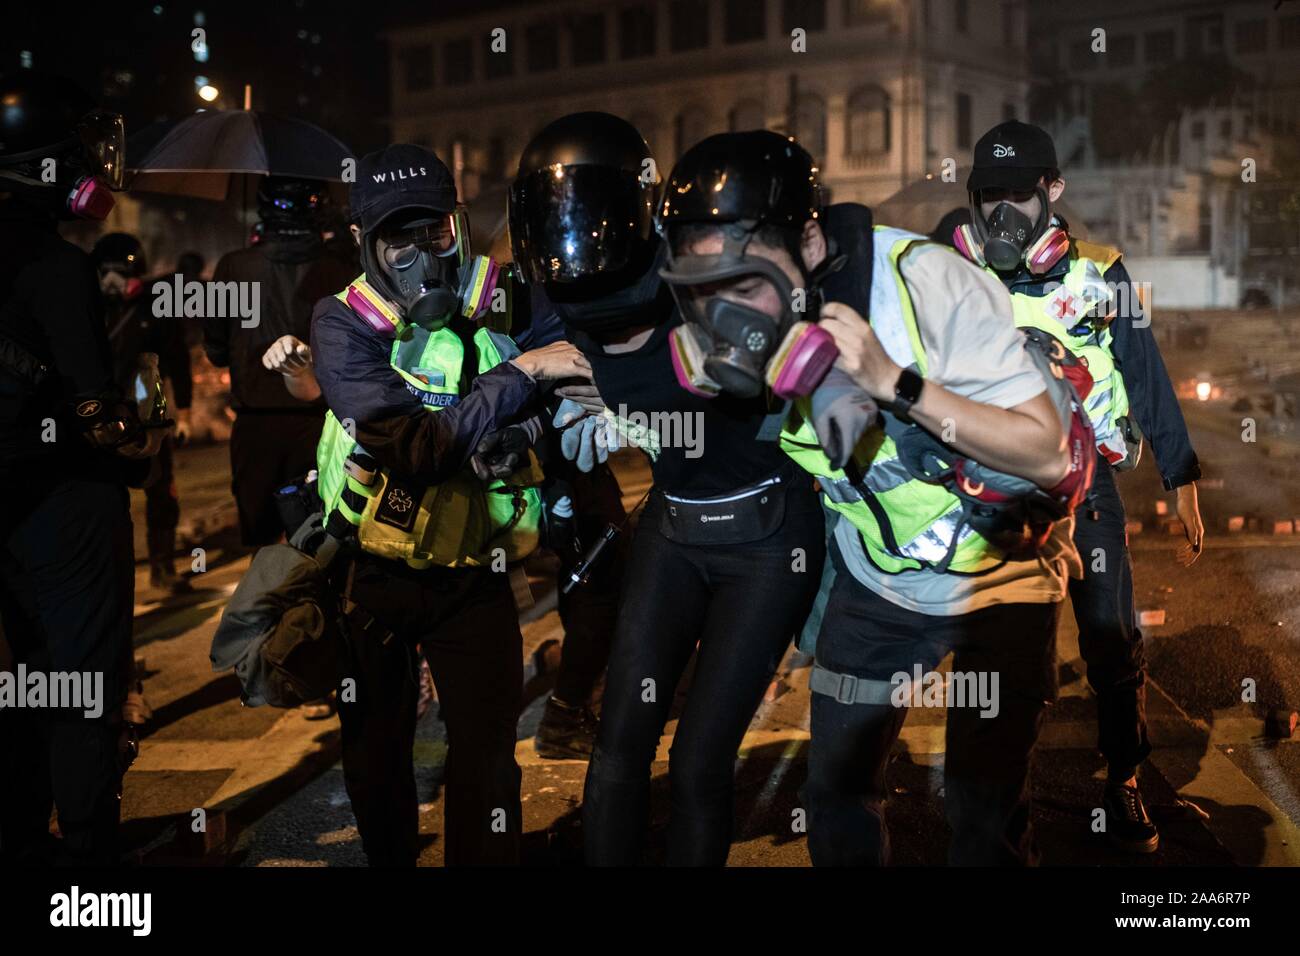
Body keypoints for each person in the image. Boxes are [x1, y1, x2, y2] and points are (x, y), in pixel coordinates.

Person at [656, 130, 1092, 866]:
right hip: (880, 586)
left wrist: (895, 381)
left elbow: (1046, 452)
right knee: (836, 794)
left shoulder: (926, 286)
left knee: (985, 817)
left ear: (810, 239)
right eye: (703, 290)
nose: (724, 314)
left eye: (744, 283)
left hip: (1003, 581)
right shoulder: (729, 331)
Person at [510, 113, 828, 865]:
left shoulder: (700, 276)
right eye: (558, 217)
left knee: (697, 759)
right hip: (672, 528)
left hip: (769, 537)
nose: (575, 242)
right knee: (619, 742)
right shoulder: (555, 316)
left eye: (592, 214)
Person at [310, 143, 589, 865]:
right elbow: (418, 450)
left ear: (459, 222)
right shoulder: (343, 323)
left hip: (476, 568)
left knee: (489, 757)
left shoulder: (515, 296)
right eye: (396, 237)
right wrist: (520, 376)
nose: (419, 254)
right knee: (376, 750)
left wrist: (524, 429)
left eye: (432, 230)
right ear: (363, 243)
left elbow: (573, 394)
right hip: (371, 572)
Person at [954, 120, 1204, 852]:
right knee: (1001, 659)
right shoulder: (958, 277)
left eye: (1018, 197)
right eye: (988, 197)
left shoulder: (1101, 273)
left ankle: (1123, 779)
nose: (1002, 216)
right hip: (991, 493)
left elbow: (1144, 371)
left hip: (1087, 487)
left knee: (1111, 640)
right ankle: (998, 808)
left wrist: (1181, 473)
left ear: (1052, 192)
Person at [0, 72, 154, 865]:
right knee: (82, 690)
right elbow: (98, 416)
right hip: (66, 507)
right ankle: (92, 865)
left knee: (22, 688)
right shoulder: (56, 264)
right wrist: (144, 432)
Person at [204, 176, 354, 547]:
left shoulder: (232, 267)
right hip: (325, 425)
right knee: (325, 539)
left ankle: (269, 605)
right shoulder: (344, 270)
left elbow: (216, 350)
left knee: (263, 547)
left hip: (256, 430)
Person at [93, 232, 194, 595]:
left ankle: (162, 568)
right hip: (99, 417)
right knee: (102, 498)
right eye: (106, 273)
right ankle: (106, 577)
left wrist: (184, 410)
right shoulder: (84, 310)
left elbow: (177, 360)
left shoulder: (155, 309)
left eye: (121, 273)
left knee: (161, 490)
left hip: (148, 413)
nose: (113, 282)